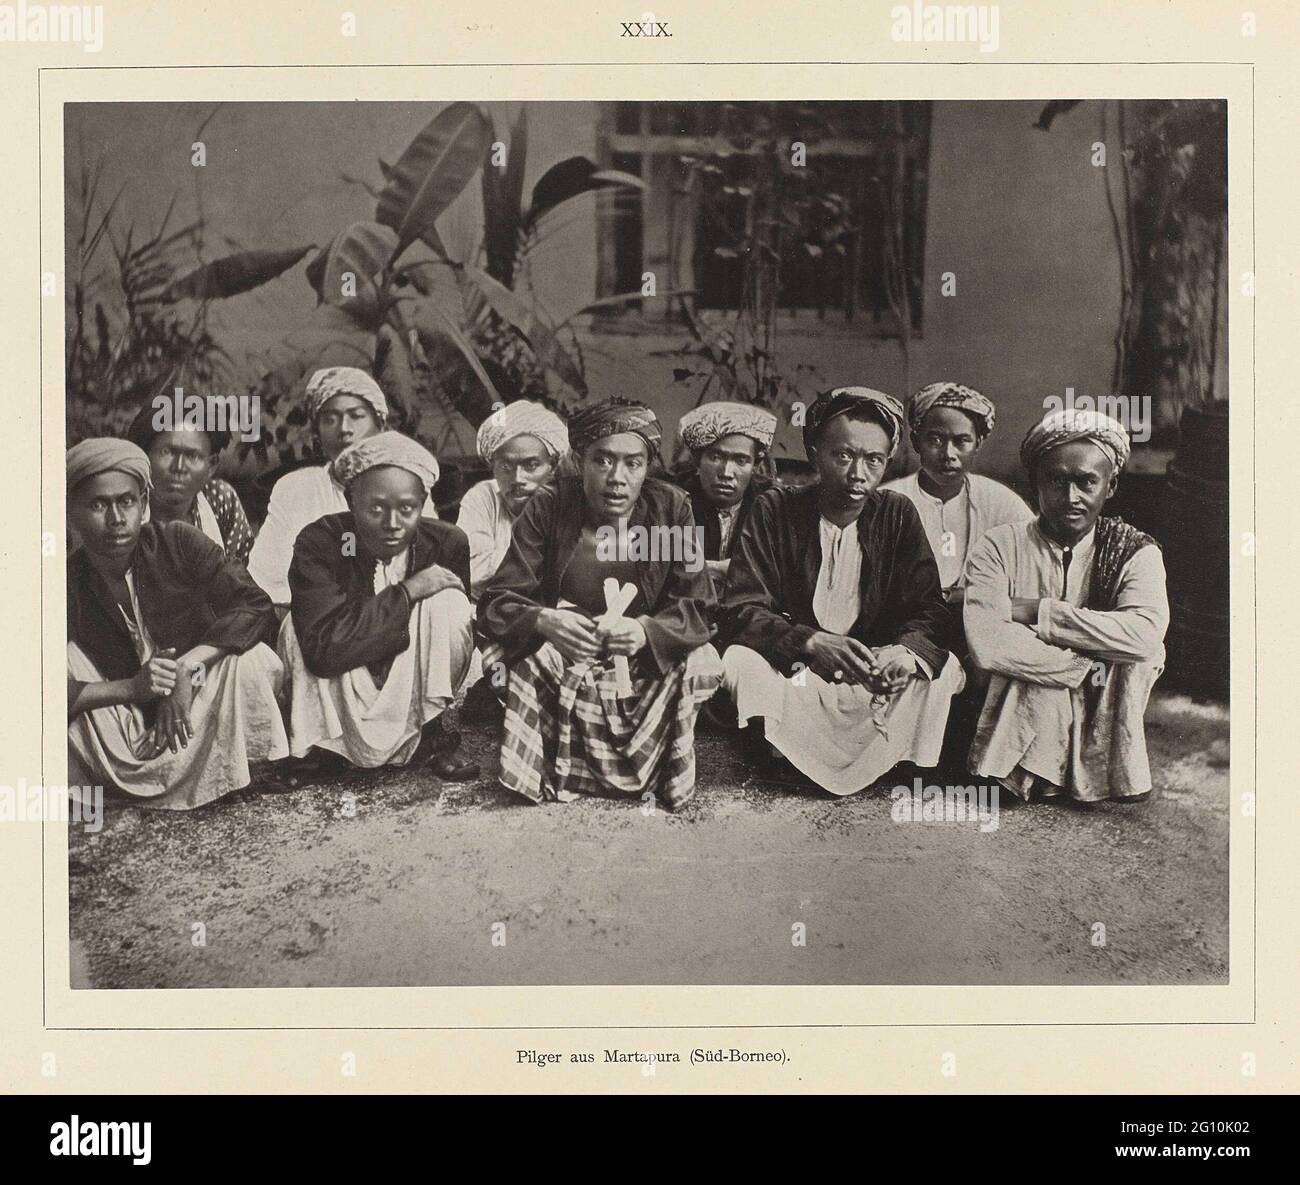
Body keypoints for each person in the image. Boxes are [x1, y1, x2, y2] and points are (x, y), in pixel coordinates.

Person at [717, 386, 964, 795]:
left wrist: (902, 653)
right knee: (742, 661)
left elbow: (929, 609)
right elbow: (741, 609)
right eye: (843, 455)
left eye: (873, 460)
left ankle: (900, 761)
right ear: (815, 452)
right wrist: (809, 642)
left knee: (942, 668)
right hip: (799, 675)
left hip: (871, 678)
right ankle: (783, 759)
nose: (857, 474)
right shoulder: (775, 509)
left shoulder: (897, 515)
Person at [477, 399, 721, 809]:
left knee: (704, 662)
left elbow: (698, 604)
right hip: (572, 647)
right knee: (512, 659)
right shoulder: (550, 504)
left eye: (633, 463)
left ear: (648, 466)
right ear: (579, 459)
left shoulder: (672, 508)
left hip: (643, 656)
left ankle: (656, 770)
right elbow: (497, 601)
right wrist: (544, 620)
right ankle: (544, 766)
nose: (617, 479)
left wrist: (645, 631)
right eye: (603, 461)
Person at [66, 439, 288, 811]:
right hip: (128, 726)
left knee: (250, 662)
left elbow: (255, 604)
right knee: (64, 661)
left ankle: (244, 767)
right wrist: (132, 689)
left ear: (144, 505)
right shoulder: (64, 580)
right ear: (72, 512)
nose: (116, 519)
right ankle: (153, 781)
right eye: (98, 505)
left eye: (127, 501)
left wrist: (187, 667)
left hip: (196, 705)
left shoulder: (178, 541)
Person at [963, 408, 1168, 802]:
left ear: (1110, 486)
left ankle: (1088, 773)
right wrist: (1084, 662)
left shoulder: (1135, 553)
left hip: (1098, 689)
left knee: (1141, 655)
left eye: (1086, 482)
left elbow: (1144, 637)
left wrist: (1036, 612)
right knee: (1023, 661)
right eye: (1057, 481)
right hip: (1074, 677)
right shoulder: (998, 547)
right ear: (1035, 482)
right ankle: (1026, 774)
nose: (1071, 497)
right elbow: (987, 644)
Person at [277, 432, 478, 778]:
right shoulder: (322, 541)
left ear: (422, 501)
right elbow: (323, 650)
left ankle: (429, 734)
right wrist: (408, 591)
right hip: (339, 675)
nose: (392, 524)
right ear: (350, 500)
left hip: (404, 675)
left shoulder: (446, 543)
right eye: (375, 509)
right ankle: (322, 747)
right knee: (294, 628)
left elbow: (452, 638)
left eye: (406, 509)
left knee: (451, 606)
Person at [247, 367, 436, 607]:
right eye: (330, 419)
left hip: (398, 618)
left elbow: (431, 568)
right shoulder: (294, 489)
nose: (344, 428)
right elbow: (266, 579)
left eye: (356, 416)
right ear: (317, 433)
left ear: (380, 424)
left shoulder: (408, 484)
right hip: (315, 622)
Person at [881, 381, 1034, 602]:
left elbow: (1033, 567)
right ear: (916, 442)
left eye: (962, 441)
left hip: (981, 622)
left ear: (977, 444)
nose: (948, 454)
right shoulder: (886, 501)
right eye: (935, 440)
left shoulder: (1002, 503)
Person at [457, 400, 569, 600]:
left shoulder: (566, 504)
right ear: (493, 466)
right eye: (506, 467)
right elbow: (470, 571)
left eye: (531, 466)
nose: (517, 479)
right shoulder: (483, 498)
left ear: (551, 467)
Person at [126, 397, 255, 564]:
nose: (179, 467)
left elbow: (241, 577)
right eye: (167, 452)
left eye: (193, 456)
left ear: (212, 465)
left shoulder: (219, 500)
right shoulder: (124, 504)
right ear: (144, 456)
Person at [675, 400, 778, 589]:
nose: (726, 473)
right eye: (715, 457)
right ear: (697, 461)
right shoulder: (675, 500)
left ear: (755, 465)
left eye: (741, 460)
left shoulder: (772, 504)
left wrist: (708, 568)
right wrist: (733, 569)